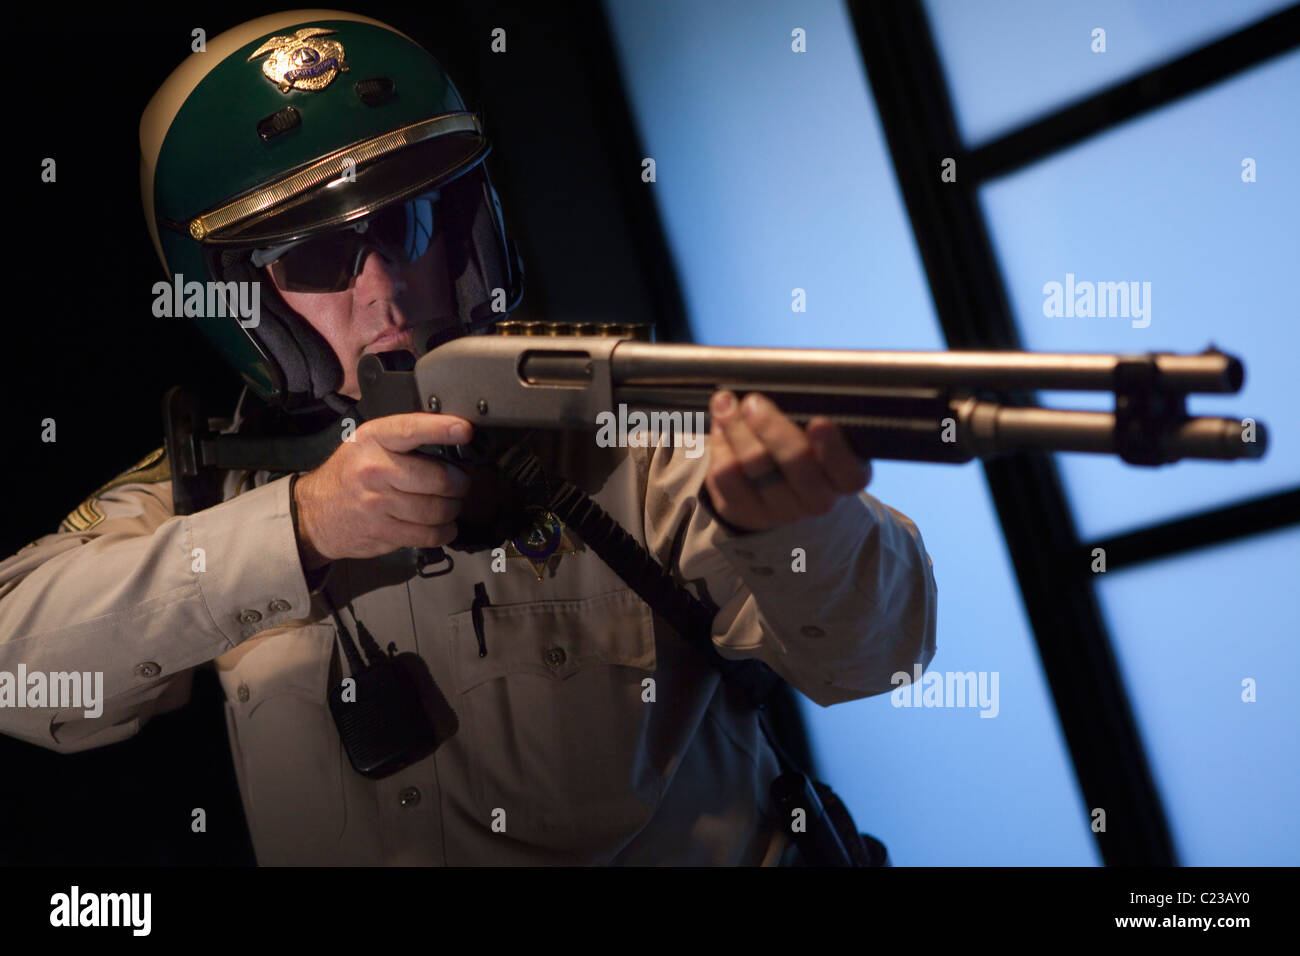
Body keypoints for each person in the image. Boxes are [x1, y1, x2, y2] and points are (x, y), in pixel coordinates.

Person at [0, 11, 937, 865]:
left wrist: (799, 529)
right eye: (319, 257)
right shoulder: (210, 487)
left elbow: (879, 656)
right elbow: (18, 672)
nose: (385, 289)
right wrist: (299, 530)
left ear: (465, 232)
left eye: (409, 224)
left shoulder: (624, 431)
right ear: (236, 301)